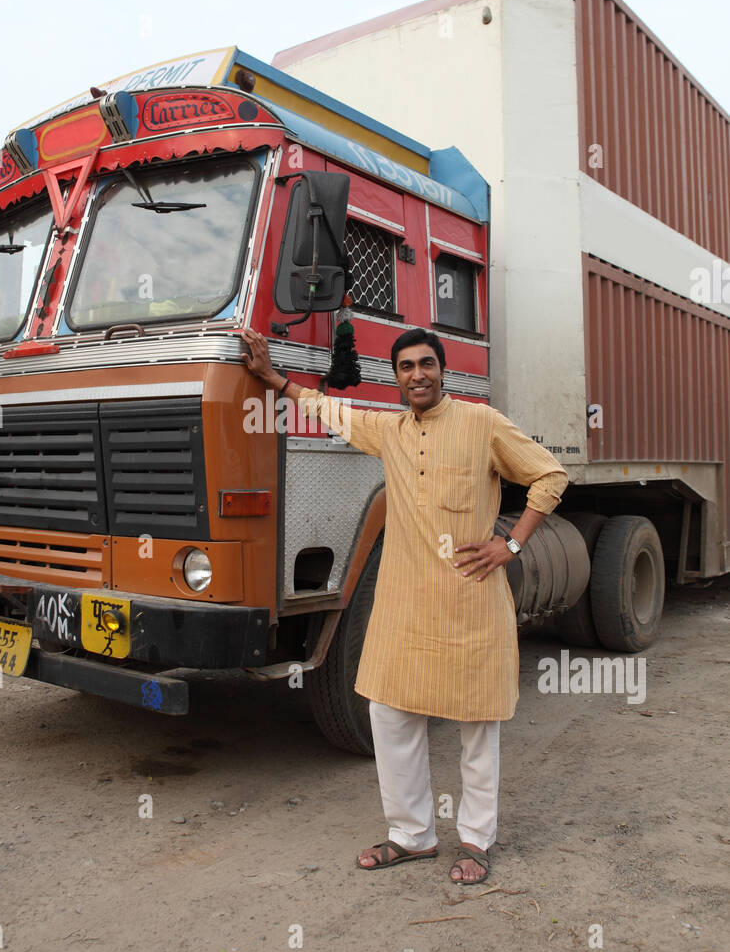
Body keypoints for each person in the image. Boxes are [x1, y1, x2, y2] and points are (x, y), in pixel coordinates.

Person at [240, 325, 568, 884]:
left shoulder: (481, 424)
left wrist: (509, 544)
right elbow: (330, 411)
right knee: (390, 715)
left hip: (468, 603)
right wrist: (278, 381)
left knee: (476, 724)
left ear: (442, 370)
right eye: (405, 367)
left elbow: (550, 474)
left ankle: (475, 840)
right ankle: (412, 836)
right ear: (395, 377)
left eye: (426, 364)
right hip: (402, 605)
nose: (417, 375)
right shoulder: (388, 431)